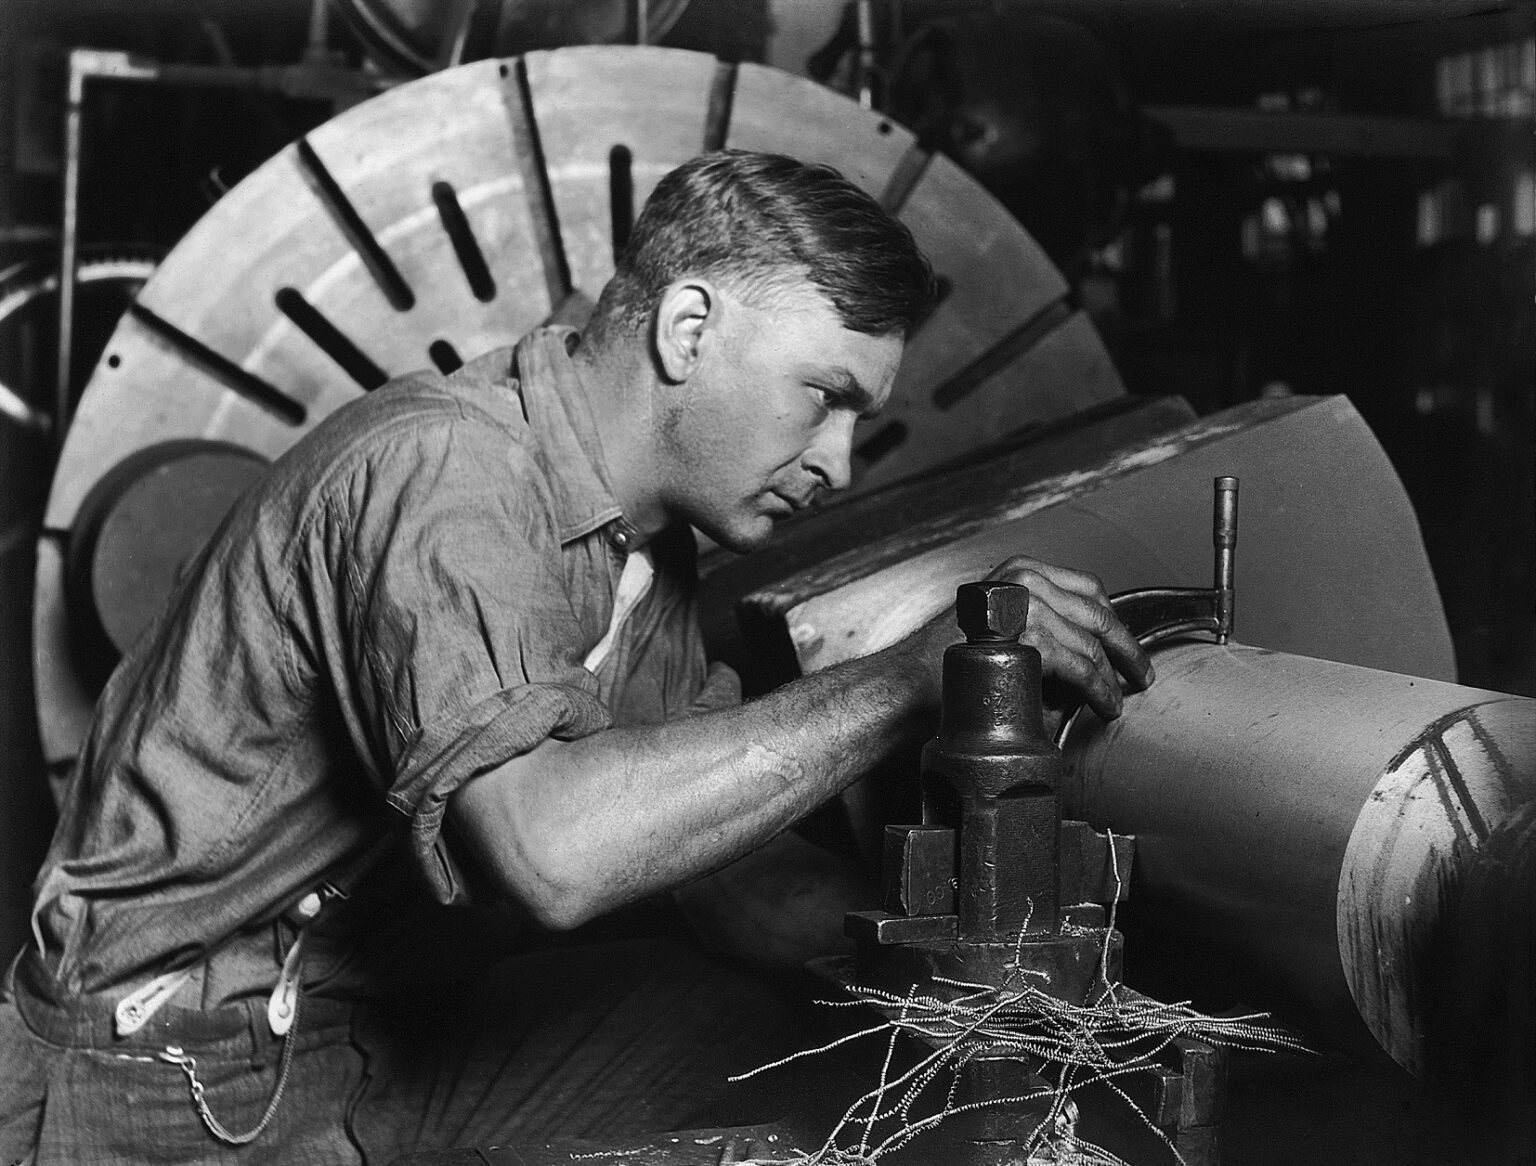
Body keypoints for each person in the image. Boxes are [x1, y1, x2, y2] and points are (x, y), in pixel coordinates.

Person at [0, 150, 1151, 1163]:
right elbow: (554, 854)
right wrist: (916, 674)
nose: (840, 460)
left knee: (746, 1032)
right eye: (824, 396)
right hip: (166, 1076)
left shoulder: (640, 552)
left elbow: (742, 888)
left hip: (369, 1040)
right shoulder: (448, 477)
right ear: (689, 327)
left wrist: (1005, 1006)